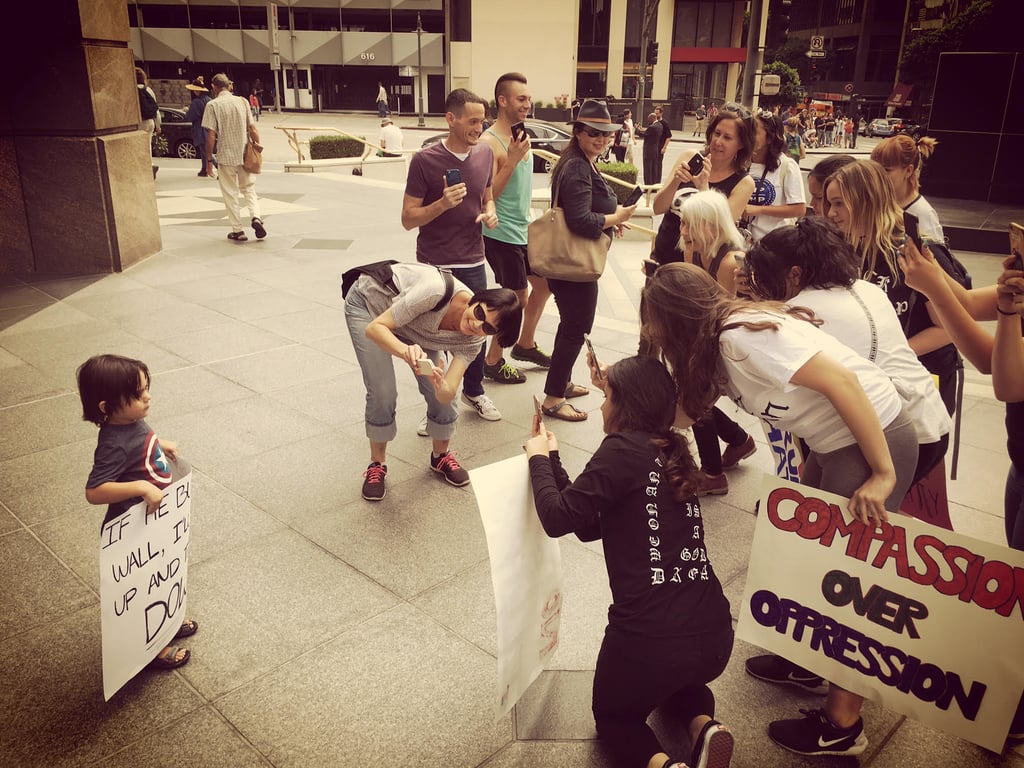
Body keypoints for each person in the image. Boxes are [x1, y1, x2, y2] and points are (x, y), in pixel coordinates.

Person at [642, 263, 918, 758]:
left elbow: (843, 382)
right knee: (804, 558)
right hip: (832, 445)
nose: (651, 333)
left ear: (674, 319)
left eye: (653, 322)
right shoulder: (714, 348)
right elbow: (686, 414)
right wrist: (624, 404)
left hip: (875, 439)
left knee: (848, 583)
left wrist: (882, 473)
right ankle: (812, 662)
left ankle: (842, 727)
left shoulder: (738, 339)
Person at [526, 355, 735, 768]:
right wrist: (552, 456)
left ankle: (666, 766)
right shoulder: (673, 451)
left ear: (625, 404)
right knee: (683, 683)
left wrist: (534, 458)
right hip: (714, 636)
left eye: (607, 397)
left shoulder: (620, 450)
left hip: (647, 642)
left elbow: (556, 519)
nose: (601, 407)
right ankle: (704, 728)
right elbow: (586, 523)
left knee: (615, 718)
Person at [744, 216, 951, 492]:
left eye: (765, 279)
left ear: (795, 274)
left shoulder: (799, 313)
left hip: (892, 429)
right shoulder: (866, 288)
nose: (763, 288)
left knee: (849, 528)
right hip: (927, 416)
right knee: (815, 503)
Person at [344, 262, 522, 501]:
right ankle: (377, 464)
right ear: (475, 300)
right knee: (382, 389)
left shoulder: (472, 341)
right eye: (479, 313)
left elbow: (447, 392)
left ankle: (440, 457)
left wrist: (443, 388)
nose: (476, 325)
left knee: (447, 398)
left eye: (488, 327)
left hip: (417, 327)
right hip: (369, 305)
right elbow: (376, 328)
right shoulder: (433, 292)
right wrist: (404, 350)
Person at [77, 354, 199, 670]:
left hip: (153, 520)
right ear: (106, 408)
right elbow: (95, 491)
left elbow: (141, 439)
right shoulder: (112, 444)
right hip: (134, 529)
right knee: (144, 586)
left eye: (146, 389)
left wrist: (160, 443)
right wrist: (140, 489)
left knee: (162, 576)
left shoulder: (130, 421)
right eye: (137, 394)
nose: (147, 398)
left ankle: (168, 622)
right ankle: (154, 648)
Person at [824, 161, 961, 415]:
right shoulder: (843, 249)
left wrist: (889, 354)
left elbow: (948, 329)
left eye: (840, 203)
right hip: (870, 382)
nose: (831, 213)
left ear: (867, 200)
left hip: (920, 381)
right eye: (830, 203)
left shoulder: (917, 252)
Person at [402, 88, 502, 423]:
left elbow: (488, 196)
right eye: (473, 121)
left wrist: (490, 212)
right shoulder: (424, 160)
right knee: (431, 337)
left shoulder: (485, 154)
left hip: (473, 260)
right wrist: (442, 203)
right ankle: (435, 403)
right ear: (451, 119)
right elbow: (408, 218)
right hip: (435, 265)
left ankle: (474, 391)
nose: (479, 127)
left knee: (478, 329)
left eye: (482, 121)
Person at [540, 99, 636, 422]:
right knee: (576, 328)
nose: (602, 138)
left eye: (607, 133)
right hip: (574, 266)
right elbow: (580, 220)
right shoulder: (578, 166)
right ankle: (553, 398)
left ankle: (561, 383)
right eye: (594, 132)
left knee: (570, 326)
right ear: (578, 131)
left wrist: (610, 220)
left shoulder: (582, 160)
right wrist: (615, 216)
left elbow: (583, 210)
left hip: (570, 262)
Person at [668, 190, 758, 496]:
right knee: (691, 394)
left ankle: (713, 474)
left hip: (729, 339)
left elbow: (721, 317)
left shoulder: (732, 260)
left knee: (694, 398)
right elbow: (691, 295)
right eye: (681, 223)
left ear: (711, 225)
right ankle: (738, 439)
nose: (682, 232)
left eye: (688, 225)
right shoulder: (694, 249)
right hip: (702, 333)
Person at [479, 72, 554, 384]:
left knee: (545, 285)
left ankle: (524, 345)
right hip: (499, 234)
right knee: (516, 299)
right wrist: (510, 160)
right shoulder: (488, 144)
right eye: (521, 99)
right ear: (502, 101)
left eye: (528, 98)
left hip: (522, 230)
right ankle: (492, 361)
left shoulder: (521, 138)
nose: (528, 104)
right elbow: (486, 197)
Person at [650, 106, 755, 264]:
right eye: (717, 133)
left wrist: (704, 189)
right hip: (663, 258)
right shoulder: (689, 157)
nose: (718, 142)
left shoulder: (743, 183)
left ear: (741, 144)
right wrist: (675, 181)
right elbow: (658, 208)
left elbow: (720, 229)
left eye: (727, 138)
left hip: (698, 269)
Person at [202, 73, 266, 242]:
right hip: (244, 153)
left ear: (214, 87)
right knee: (249, 189)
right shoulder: (243, 101)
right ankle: (256, 217)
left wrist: (209, 160)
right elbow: (252, 128)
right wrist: (257, 147)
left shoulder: (212, 105)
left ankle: (238, 231)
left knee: (230, 193)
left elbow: (211, 135)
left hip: (225, 155)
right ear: (228, 86)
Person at [741, 112, 807, 242]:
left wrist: (759, 210)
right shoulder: (740, 163)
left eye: (754, 131)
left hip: (773, 246)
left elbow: (799, 209)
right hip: (741, 243)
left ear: (770, 138)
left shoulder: (787, 166)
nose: (748, 136)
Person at [870, 134, 945, 242]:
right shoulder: (876, 202)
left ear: (909, 171)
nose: (877, 176)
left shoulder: (923, 213)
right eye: (874, 169)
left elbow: (935, 256)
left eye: (886, 170)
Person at [135, 67, 162, 177]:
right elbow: (156, 109)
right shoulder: (148, 90)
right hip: (150, 121)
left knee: (137, 145)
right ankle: (149, 165)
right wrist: (158, 124)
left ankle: (143, 168)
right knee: (147, 145)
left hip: (139, 121)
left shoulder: (132, 89)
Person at [184, 78, 212, 177]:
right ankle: (204, 169)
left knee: (205, 151)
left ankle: (216, 168)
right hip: (209, 128)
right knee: (206, 151)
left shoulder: (196, 102)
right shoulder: (209, 100)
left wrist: (186, 111)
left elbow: (190, 116)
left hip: (200, 128)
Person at [637, 112, 664, 185]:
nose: (648, 121)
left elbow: (643, 134)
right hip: (655, 150)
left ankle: (648, 185)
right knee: (653, 169)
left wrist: (637, 129)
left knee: (648, 169)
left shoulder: (652, 127)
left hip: (648, 150)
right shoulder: (659, 125)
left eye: (649, 120)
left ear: (652, 118)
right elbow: (649, 132)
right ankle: (653, 184)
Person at [655, 105, 673, 181]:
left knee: (658, 165)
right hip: (653, 147)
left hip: (660, 147)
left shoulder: (665, 123)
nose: (656, 115)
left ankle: (657, 182)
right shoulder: (654, 122)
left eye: (657, 113)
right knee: (653, 165)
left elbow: (669, 136)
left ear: (661, 113)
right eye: (655, 113)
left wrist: (664, 148)